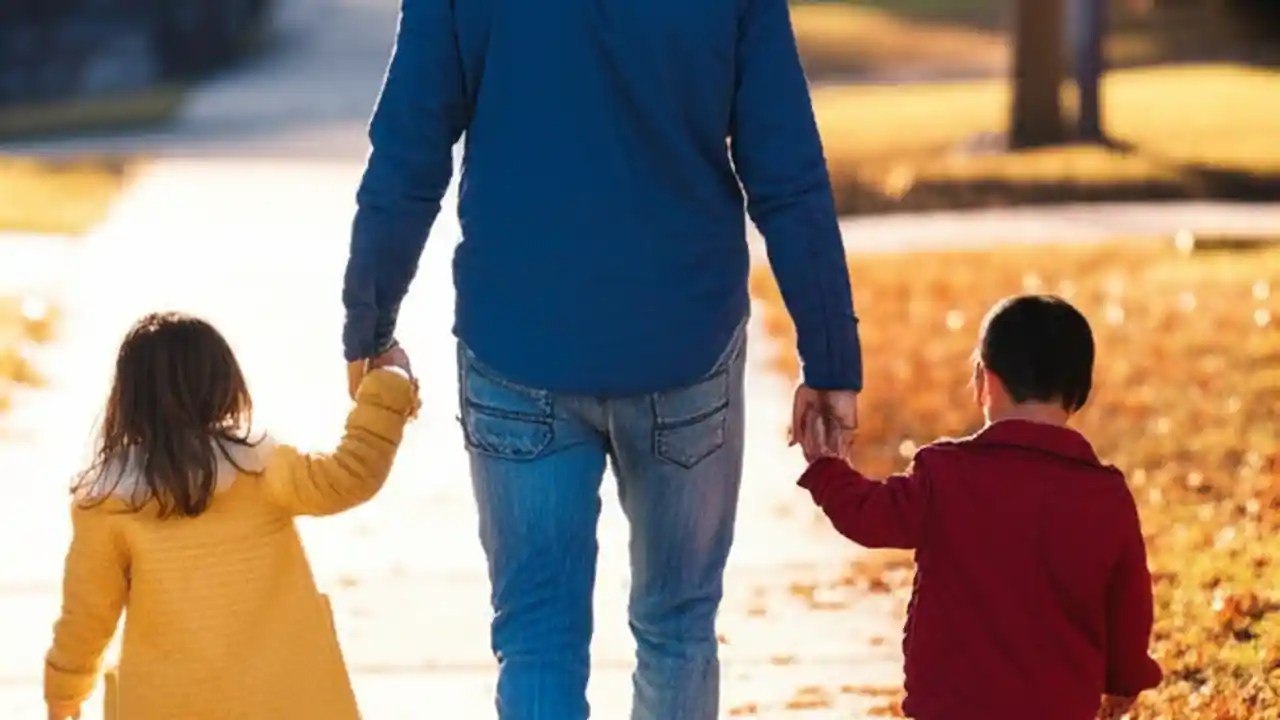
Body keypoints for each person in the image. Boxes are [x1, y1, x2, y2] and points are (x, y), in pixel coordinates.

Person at [341, 0, 862, 716]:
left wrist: (369, 326)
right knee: (677, 629)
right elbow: (789, 171)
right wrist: (830, 359)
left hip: (517, 342)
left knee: (537, 641)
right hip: (685, 342)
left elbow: (408, 151)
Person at [796, 295, 1163, 720]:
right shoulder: (1106, 497)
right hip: (1060, 707)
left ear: (984, 381)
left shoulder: (945, 476)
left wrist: (826, 467)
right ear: (1080, 392)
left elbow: (868, 516)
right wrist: (1123, 679)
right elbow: (1129, 606)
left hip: (952, 707)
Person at [44, 312, 419, 720]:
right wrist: (389, 386)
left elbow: (87, 615)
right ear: (225, 384)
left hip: (168, 705)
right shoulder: (259, 468)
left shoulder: (109, 501)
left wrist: (64, 692)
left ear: (129, 398)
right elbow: (351, 475)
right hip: (281, 700)